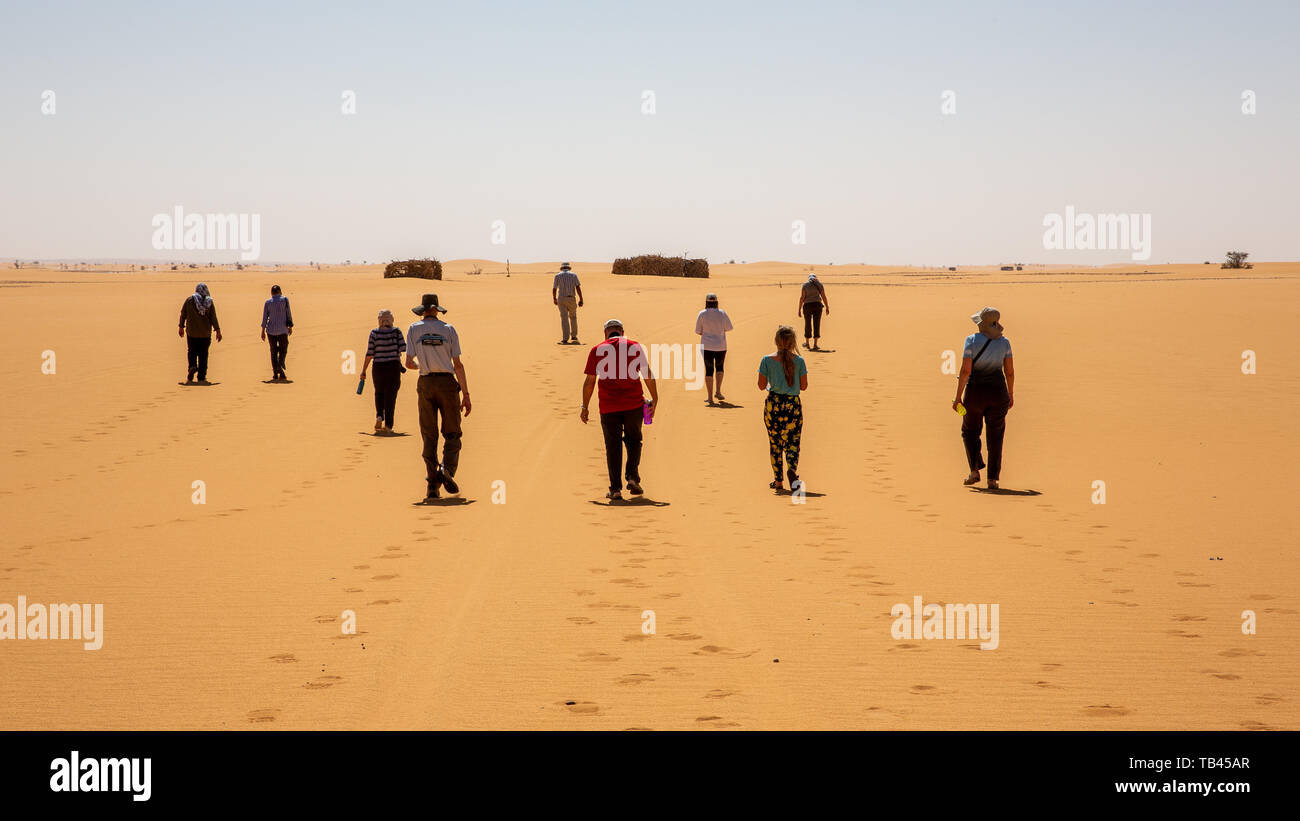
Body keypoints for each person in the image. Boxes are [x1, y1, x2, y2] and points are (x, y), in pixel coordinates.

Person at [581, 319, 658, 501]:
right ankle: (632, 477)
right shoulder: (634, 347)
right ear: (622, 332)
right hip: (633, 405)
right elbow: (647, 375)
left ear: (606, 333)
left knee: (613, 446)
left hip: (609, 407)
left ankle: (615, 489)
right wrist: (655, 399)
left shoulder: (597, 350)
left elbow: (590, 382)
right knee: (634, 440)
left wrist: (585, 406)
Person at [405, 294, 472, 500]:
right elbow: (458, 365)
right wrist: (466, 394)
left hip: (425, 384)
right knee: (452, 432)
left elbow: (408, 363)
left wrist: (423, 366)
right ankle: (447, 470)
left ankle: (432, 485)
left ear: (423, 310)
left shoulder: (414, 329)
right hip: (447, 384)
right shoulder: (448, 329)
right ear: (436, 309)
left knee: (429, 434)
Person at [952, 307, 1014, 490]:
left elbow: (965, 371)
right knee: (996, 435)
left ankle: (974, 471)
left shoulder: (971, 340)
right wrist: (1010, 394)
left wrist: (957, 398)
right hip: (998, 393)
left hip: (975, 393)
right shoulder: (1005, 343)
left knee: (970, 431)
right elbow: (1009, 372)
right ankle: (993, 479)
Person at [758, 325, 808, 491]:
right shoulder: (799, 361)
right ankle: (792, 470)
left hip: (774, 405)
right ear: (793, 342)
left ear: (776, 341)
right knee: (793, 442)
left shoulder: (766, 360)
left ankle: (778, 482)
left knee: (775, 443)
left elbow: (761, 385)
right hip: (792, 405)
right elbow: (803, 386)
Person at [361, 309, 406, 432]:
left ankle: (379, 416)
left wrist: (363, 370)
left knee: (379, 392)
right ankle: (388, 425)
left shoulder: (374, 333)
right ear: (391, 320)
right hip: (393, 366)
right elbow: (403, 348)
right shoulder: (397, 332)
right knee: (391, 396)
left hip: (378, 367)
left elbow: (369, 353)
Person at [694, 293, 734, 405]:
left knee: (709, 370)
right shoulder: (722, 313)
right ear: (716, 302)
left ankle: (710, 397)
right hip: (721, 345)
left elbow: (698, 331)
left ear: (706, 302)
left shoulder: (702, 314)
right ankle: (718, 391)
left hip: (707, 346)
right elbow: (729, 328)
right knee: (720, 368)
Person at [178, 282, 222, 384]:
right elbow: (213, 317)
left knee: (192, 351)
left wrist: (181, 326)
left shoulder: (189, 300)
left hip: (192, 332)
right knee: (203, 354)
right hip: (205, 334)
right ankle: (201, 376)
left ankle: (192, 366)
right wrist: (218, 330)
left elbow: (183, 314)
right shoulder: (209, 302)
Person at [260, 284, 294, 381]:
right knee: (283, 349)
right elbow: (289, 314)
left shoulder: (267, 302)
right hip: (283, 330)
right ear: (280, 291)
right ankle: (280, 363)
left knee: (273, 352)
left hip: (271, 331)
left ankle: (276, 373)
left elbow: (264, 318)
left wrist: (262, 331)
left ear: (271, 293)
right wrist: (290, 326)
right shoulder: (285, 300)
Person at [552, 262, 584, 344]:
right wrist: (581, 299)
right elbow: (577, 287)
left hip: (561, 299)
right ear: (569, 268)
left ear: (561, 268)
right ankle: (573, 335)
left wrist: (554, 299)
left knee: (564, 318)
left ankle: (565, 338)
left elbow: (554, 288)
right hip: (571, 298)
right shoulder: (573, 275)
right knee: (573, 317)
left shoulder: (557, 276)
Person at [796, 274, 830, 350]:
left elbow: (802, 298)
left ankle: (807, 343)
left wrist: (799, 309)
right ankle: (815, 344)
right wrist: (827, 307)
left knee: (807, 324)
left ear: (808, 279)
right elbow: (824, 296)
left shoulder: (805, 285)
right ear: (816, 278)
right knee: (816, 324)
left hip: (807, 306)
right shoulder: (820, 285)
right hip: (817, 306)